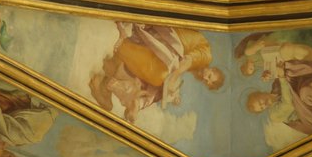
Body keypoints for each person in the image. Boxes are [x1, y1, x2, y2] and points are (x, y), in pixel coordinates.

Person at [89, 23, 224, 123]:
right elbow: (186, 61)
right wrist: (171, 81)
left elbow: (178, 70)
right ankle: (120, 87)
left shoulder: (196, 68)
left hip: (164, 46)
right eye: (209, 76)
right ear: (213, 69)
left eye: (207, 82)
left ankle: (136, 102)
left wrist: (173, 94)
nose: (205, 78)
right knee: (161, 77)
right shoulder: (206, 56)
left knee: (160, 88)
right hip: (164, 38)